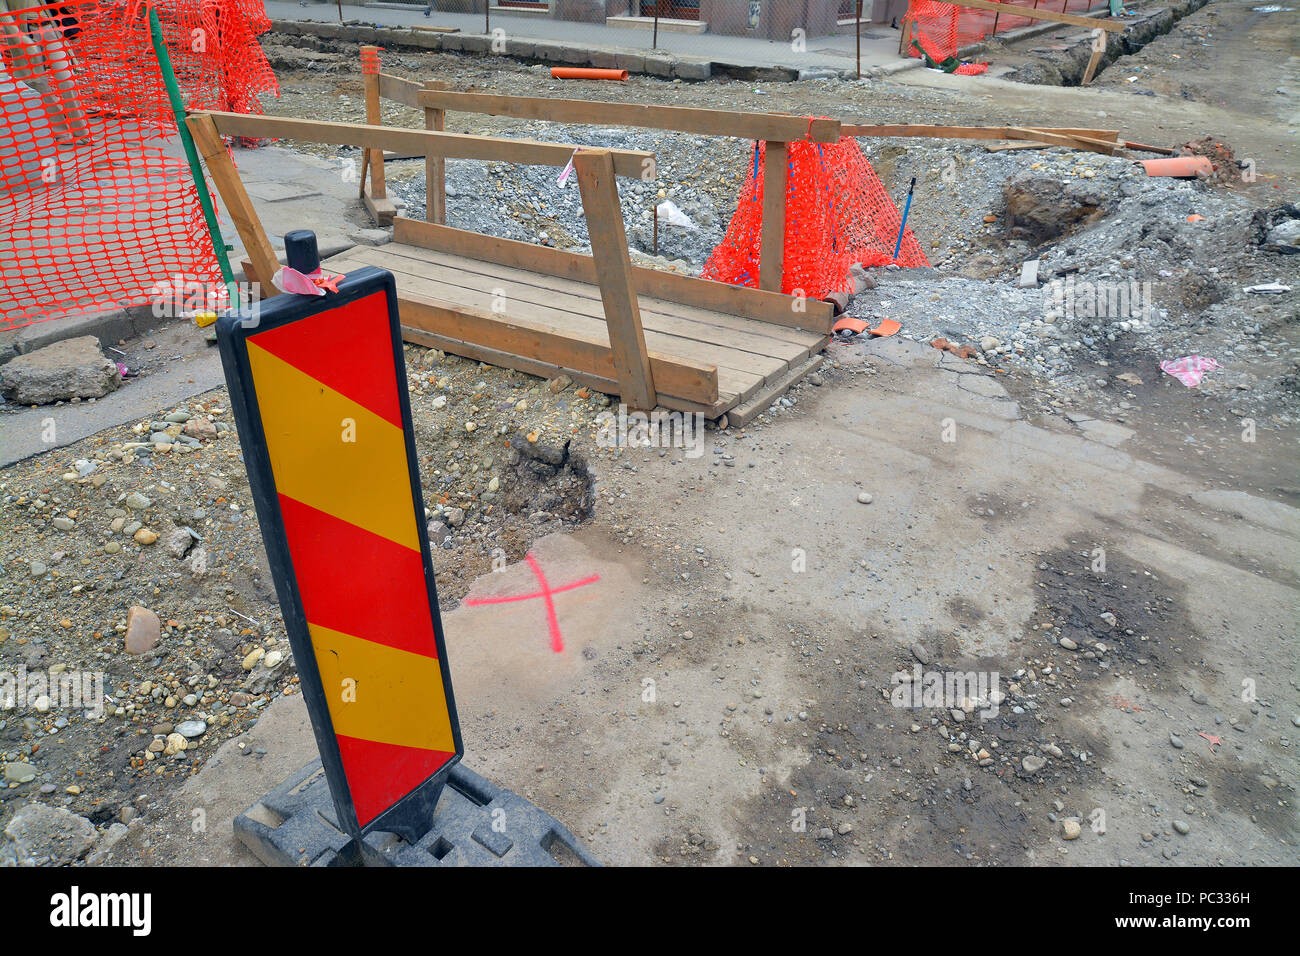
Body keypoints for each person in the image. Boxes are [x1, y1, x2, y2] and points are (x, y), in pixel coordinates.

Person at [1, 0, 89, 145]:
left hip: (50, 28)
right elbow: (4, 16)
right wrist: (22, 39)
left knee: (67, 79)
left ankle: (81, 130)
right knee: (38, 85)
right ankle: (60, 130)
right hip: (24, 34)